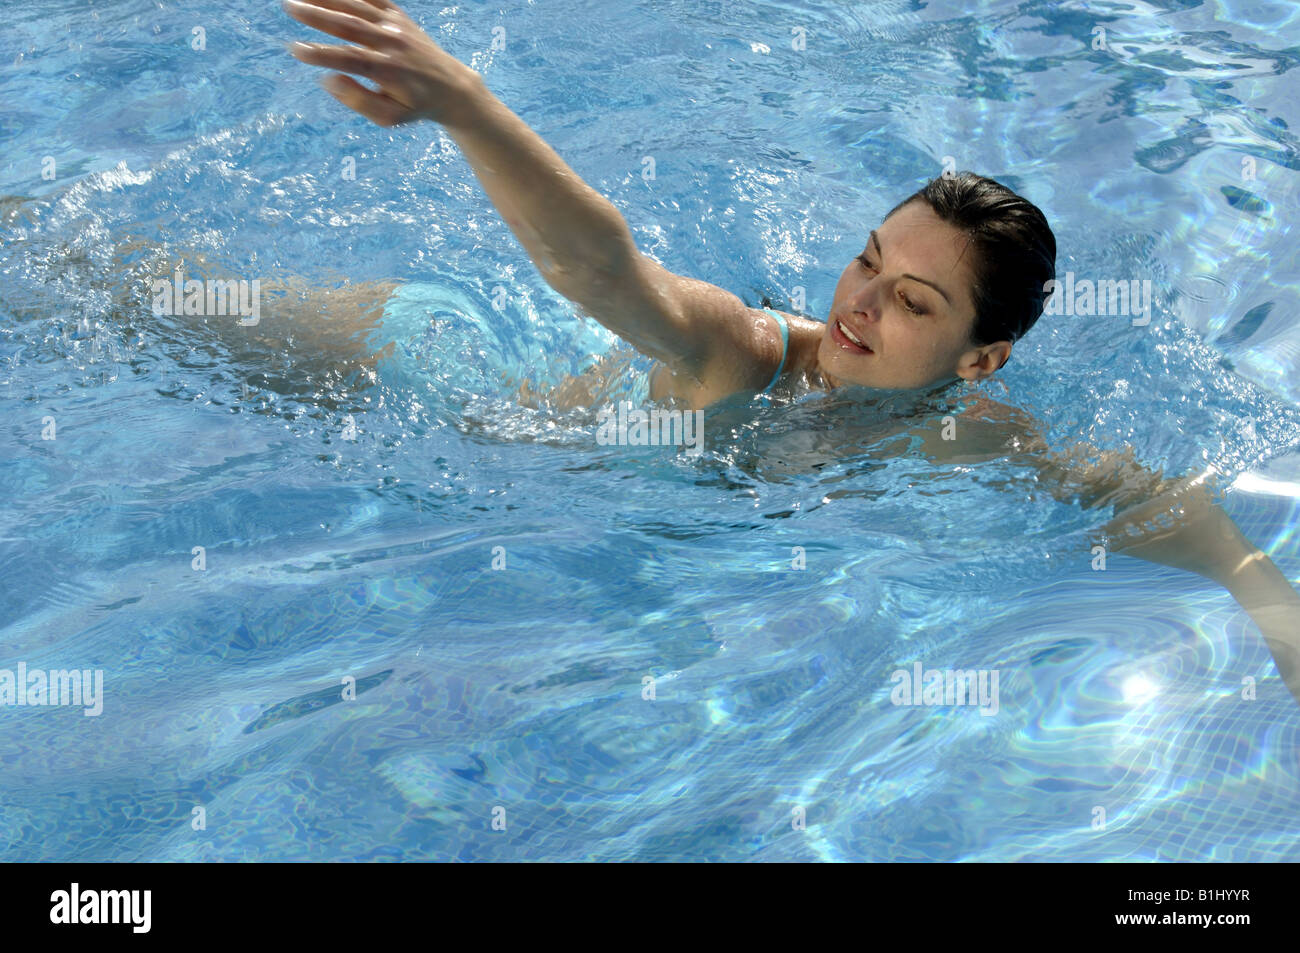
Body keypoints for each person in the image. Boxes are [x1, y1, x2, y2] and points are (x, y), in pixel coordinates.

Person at [283, 0, 1300, 703]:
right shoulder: (743, 354)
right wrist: (465, 103)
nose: (857, 302)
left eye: (910, 300)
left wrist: (1270, 604)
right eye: (865, 260)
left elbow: (1157, 503)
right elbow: (600, 270)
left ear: (979, 359)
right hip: (416, 356)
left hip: (501, 470)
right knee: (146, 304)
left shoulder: (964, 434)